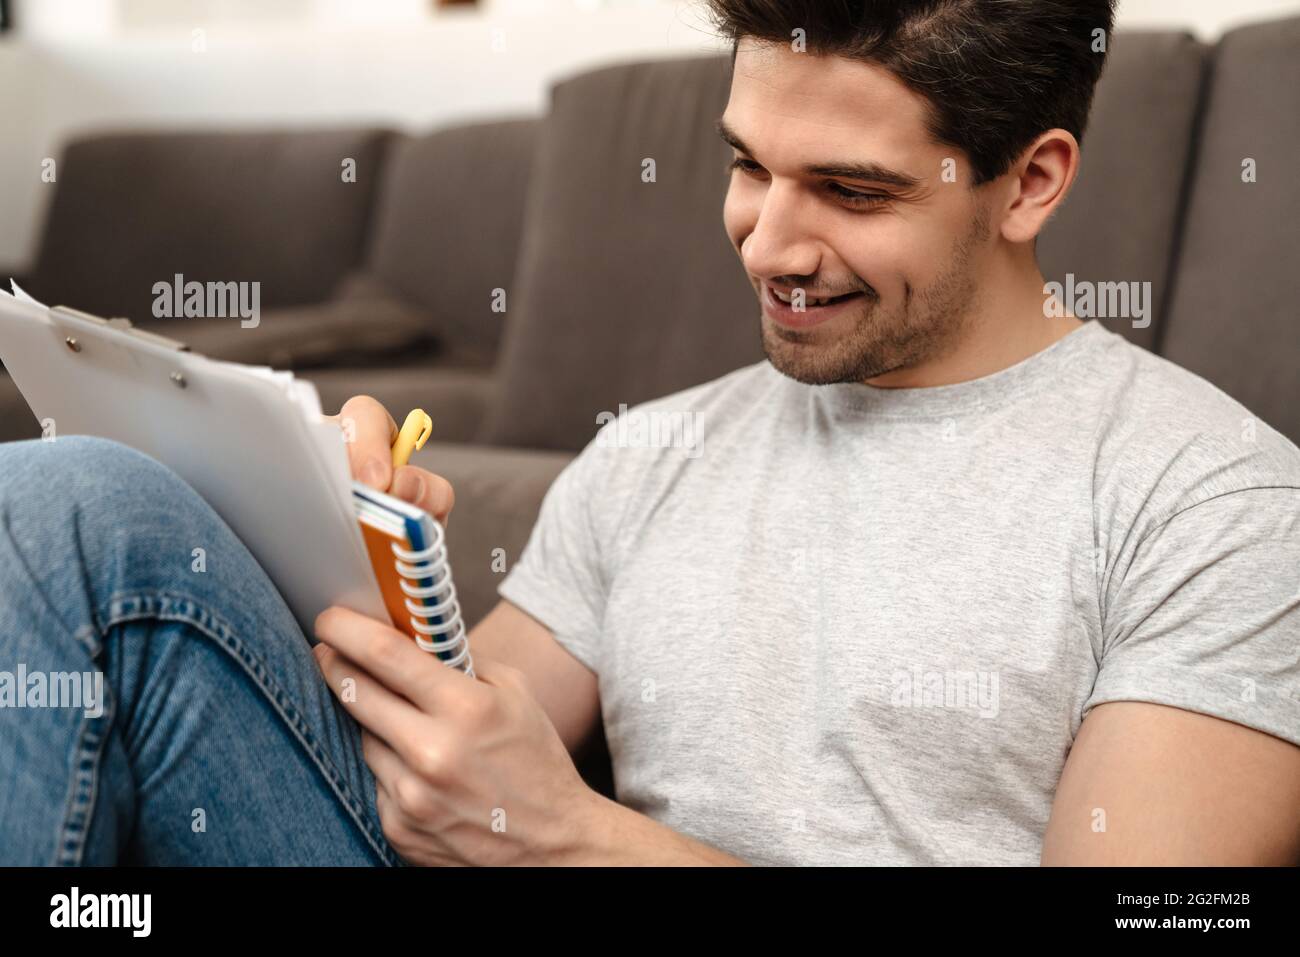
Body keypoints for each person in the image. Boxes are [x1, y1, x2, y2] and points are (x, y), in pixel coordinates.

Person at [2, 0, 1297, 866]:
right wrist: (338, 550)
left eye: (851, 190)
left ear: (1033, 181)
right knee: (80, 507)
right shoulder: (649, 455)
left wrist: (574, 834)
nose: (769, 242)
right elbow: (456, 756)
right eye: (748, 166)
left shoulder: (1216, 501)